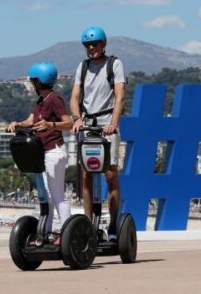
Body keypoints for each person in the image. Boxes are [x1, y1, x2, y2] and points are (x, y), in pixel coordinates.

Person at [69, 26, 126, 240]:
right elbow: (75, 98)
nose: (91, 48)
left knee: (110, 174)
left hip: (106, 123)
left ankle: (113, 225)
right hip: (87, 124)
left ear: (103, 44)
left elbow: (120, 96)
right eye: (88, 45)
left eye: (95, 44)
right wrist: (77, 119)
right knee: (86, 175)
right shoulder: (82, 67)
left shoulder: (114, 64)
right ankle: (88, 225)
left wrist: (113, 123)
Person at [8, 62, 73, 243]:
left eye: (33, 80)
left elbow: (68, 123)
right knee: (46, 196)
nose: (31, 83)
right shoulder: (41, 101)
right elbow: (31, 120)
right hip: (43, 153)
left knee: (57, 195)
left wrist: (50, 125)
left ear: (40, 81)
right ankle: (45, 232)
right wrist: (18, 124)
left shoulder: (54, 99)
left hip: (55, 151)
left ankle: (67, 233)